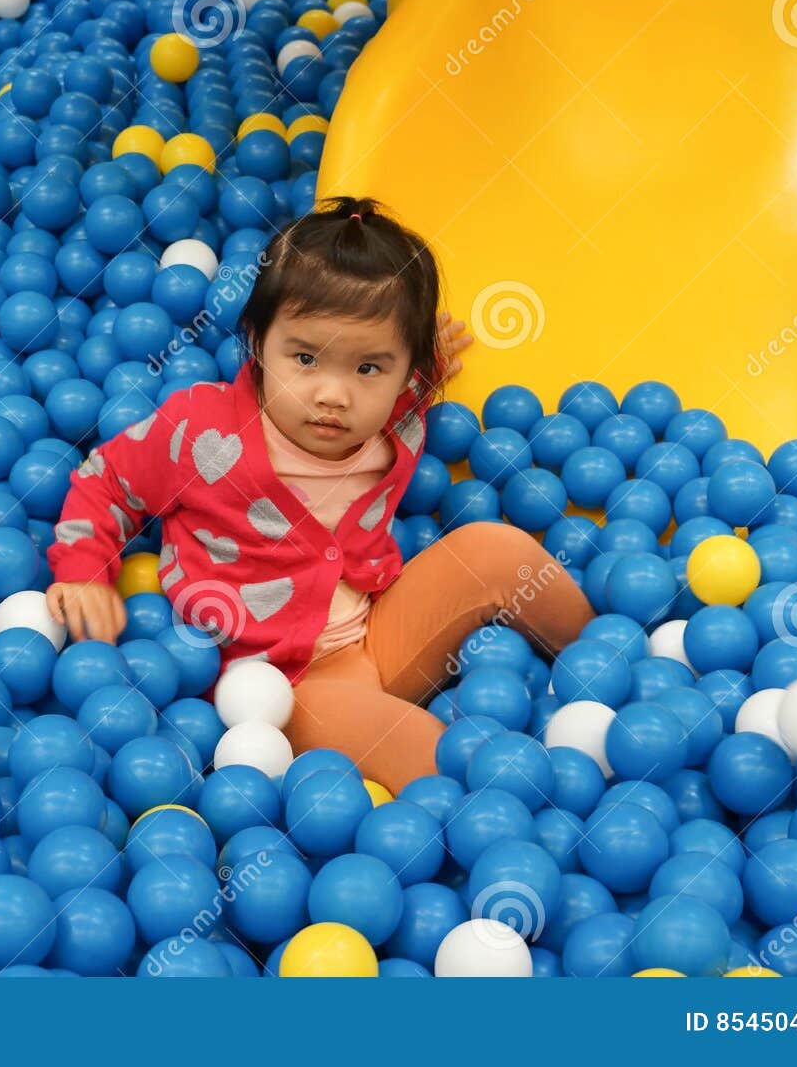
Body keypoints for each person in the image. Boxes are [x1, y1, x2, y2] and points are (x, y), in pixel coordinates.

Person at [47, 195, 596, 791]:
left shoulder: (395, 413)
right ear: (258, 343)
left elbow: (402, 370)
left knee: (495, 549)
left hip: (377, 631)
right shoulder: (202, 433)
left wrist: (429, 355)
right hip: (272, 684)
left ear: (405, 369)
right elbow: (106, 481)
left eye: (368, 368)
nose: (333, 395)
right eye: (305, 358)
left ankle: (605, 659)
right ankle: (505, 806)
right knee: (425, 750)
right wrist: (84, 570)